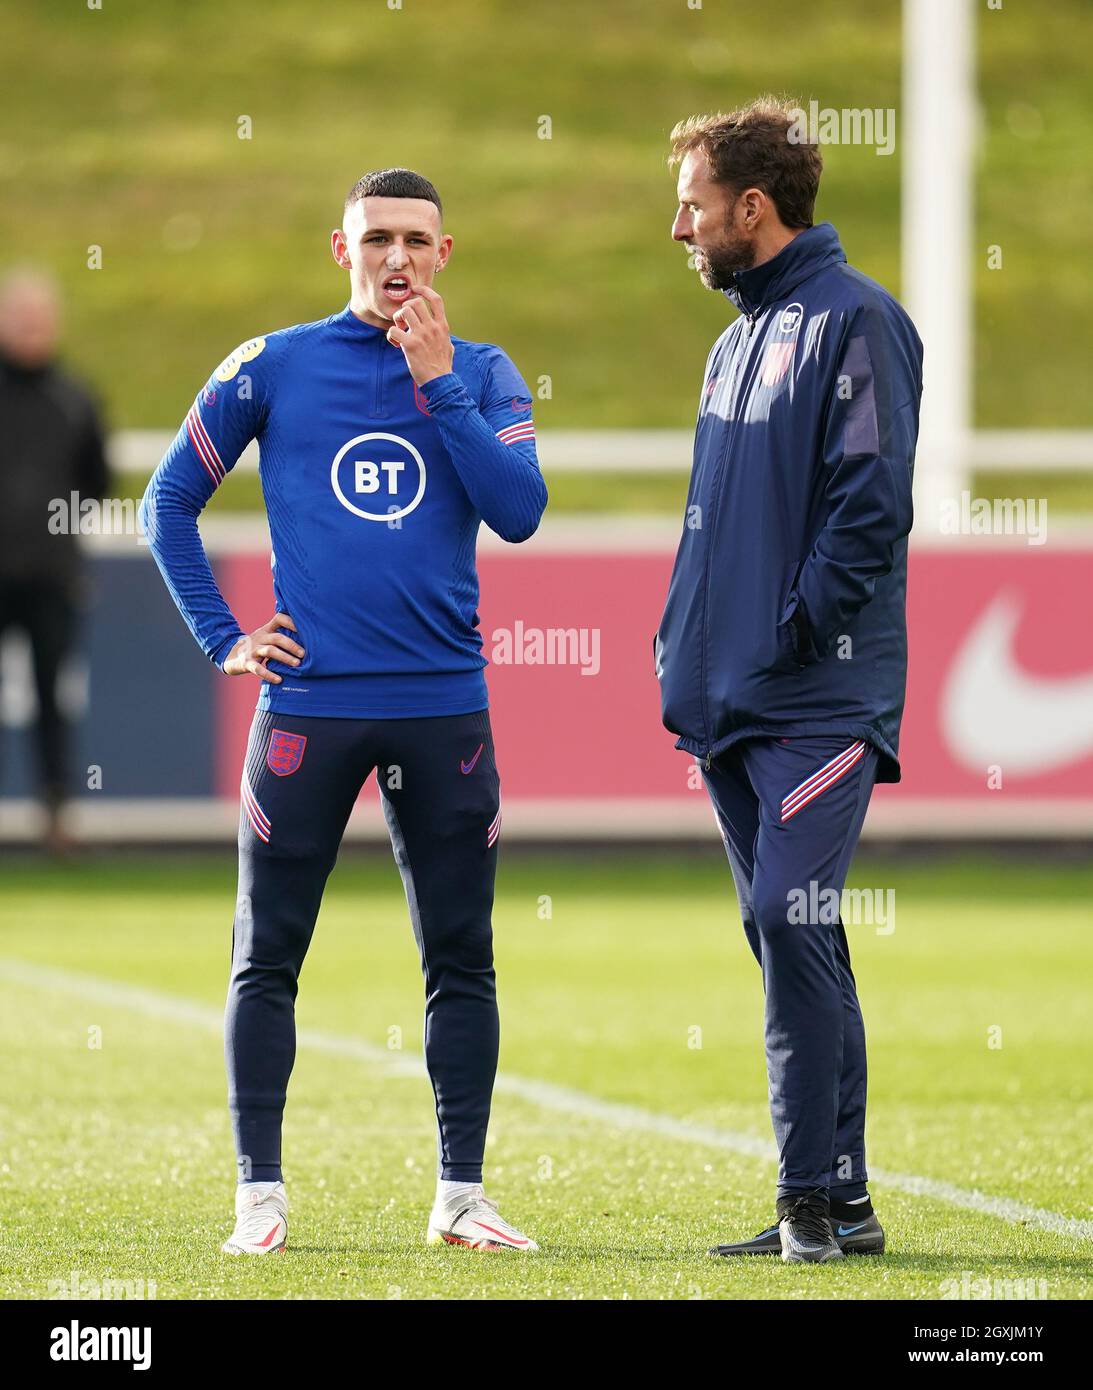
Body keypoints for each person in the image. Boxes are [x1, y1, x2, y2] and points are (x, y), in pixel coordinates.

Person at [141, 168, 547, 1255]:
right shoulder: (272, 364)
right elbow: (166, 500)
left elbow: (517, 513)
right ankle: (257, 1198)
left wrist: (437, 383)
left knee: (462, 955)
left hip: (442, 711)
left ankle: (460, 1194)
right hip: (309, 710)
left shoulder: (486, 372)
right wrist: (224, 636)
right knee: (266, 953)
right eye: (378, 240)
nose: (398, 259)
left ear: (445, 254)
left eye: (417, 240)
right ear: (341, 248)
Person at [654, 99, 923, 1263]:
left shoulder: (859, 321)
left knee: (786, 915)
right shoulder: (732, 341)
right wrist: (688, 655)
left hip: (817, 698)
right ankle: (845, 1202)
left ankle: (804, 1198)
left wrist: (794, 632)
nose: (679, 227)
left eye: (692, 204)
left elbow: (870, 507)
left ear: (749, 209)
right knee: (799, 939)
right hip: (729, 703)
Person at [0, 269, 109, 850]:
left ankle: (57, 817)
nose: (30, 329)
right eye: (20, 317)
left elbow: (95, 480)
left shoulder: (73, 397)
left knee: (53, 701)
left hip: (50, 578)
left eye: (39, 318)